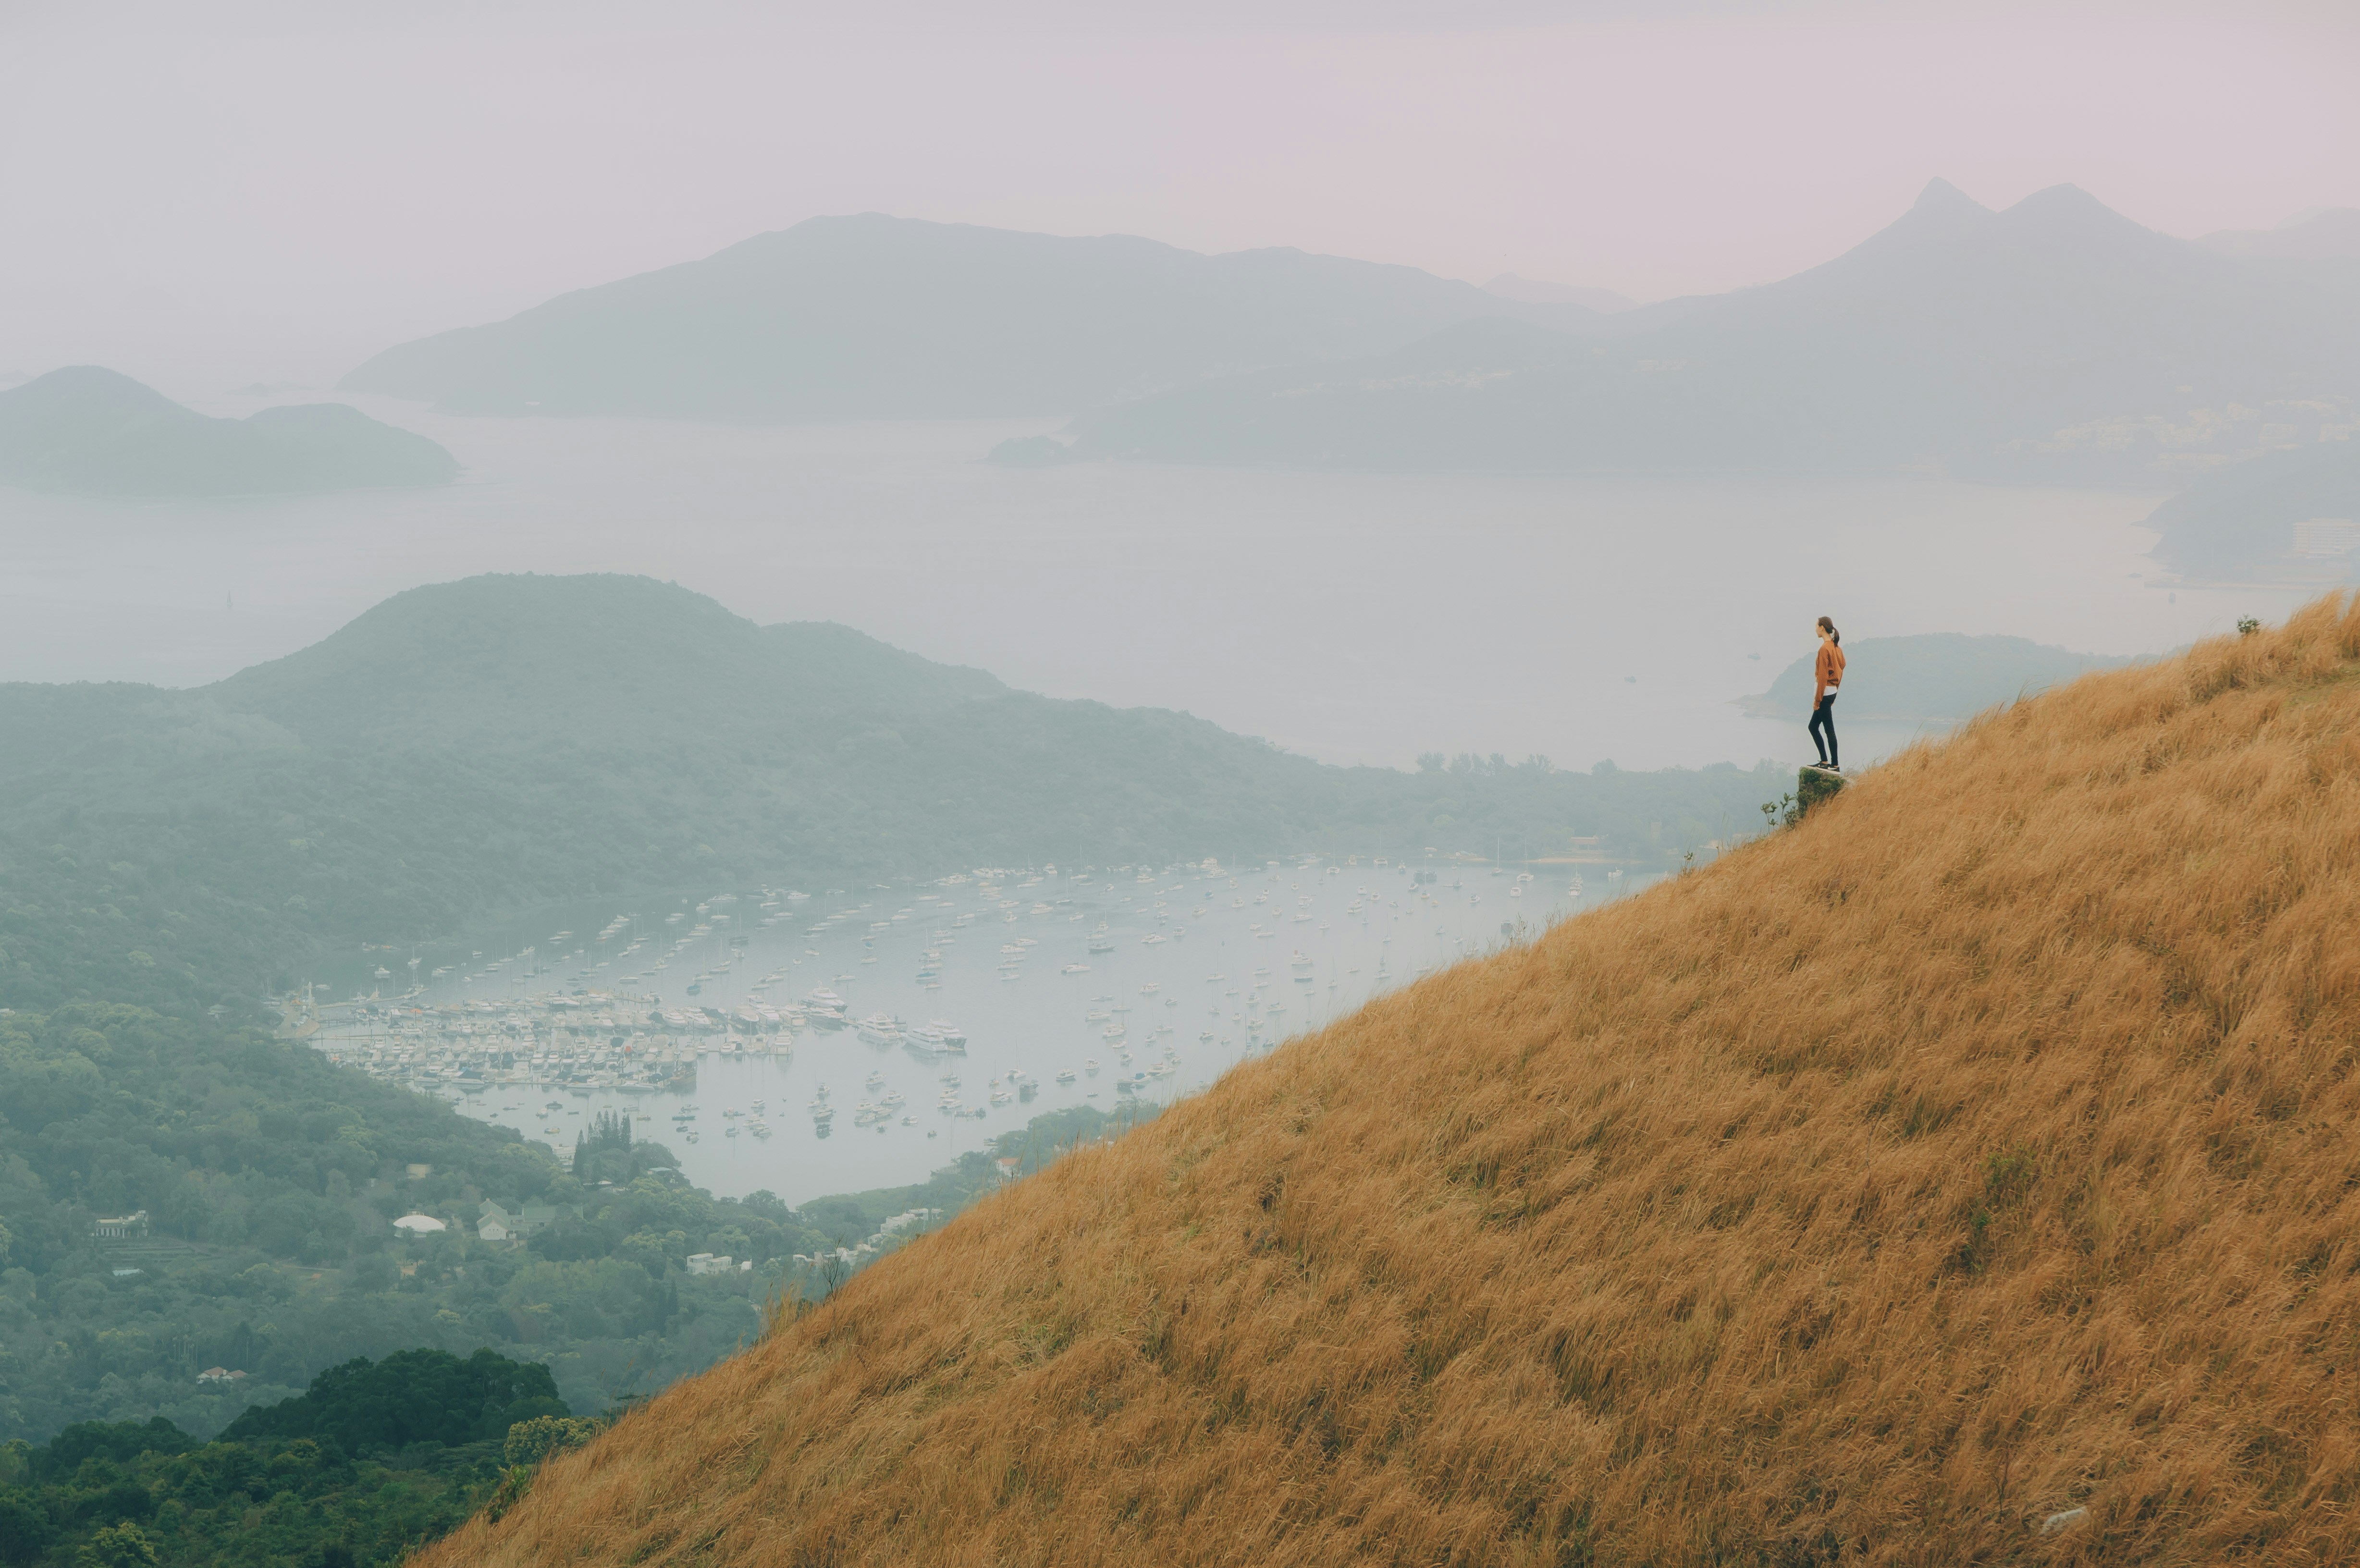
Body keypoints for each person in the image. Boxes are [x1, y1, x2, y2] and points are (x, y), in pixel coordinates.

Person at [1809, 615, 1845, 771]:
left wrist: (1817, 700)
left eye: (1817, 626)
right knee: (1813, 727)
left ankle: (1834, 764)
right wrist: (1836, 690)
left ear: (1822, 627)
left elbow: (1823, 676)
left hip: (1824, 694)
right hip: (1831, 692)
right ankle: (1825, 761)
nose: (1816, 629)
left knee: (1828, 729)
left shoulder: (1825, 648)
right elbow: (1842, 668)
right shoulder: (1837, 647)